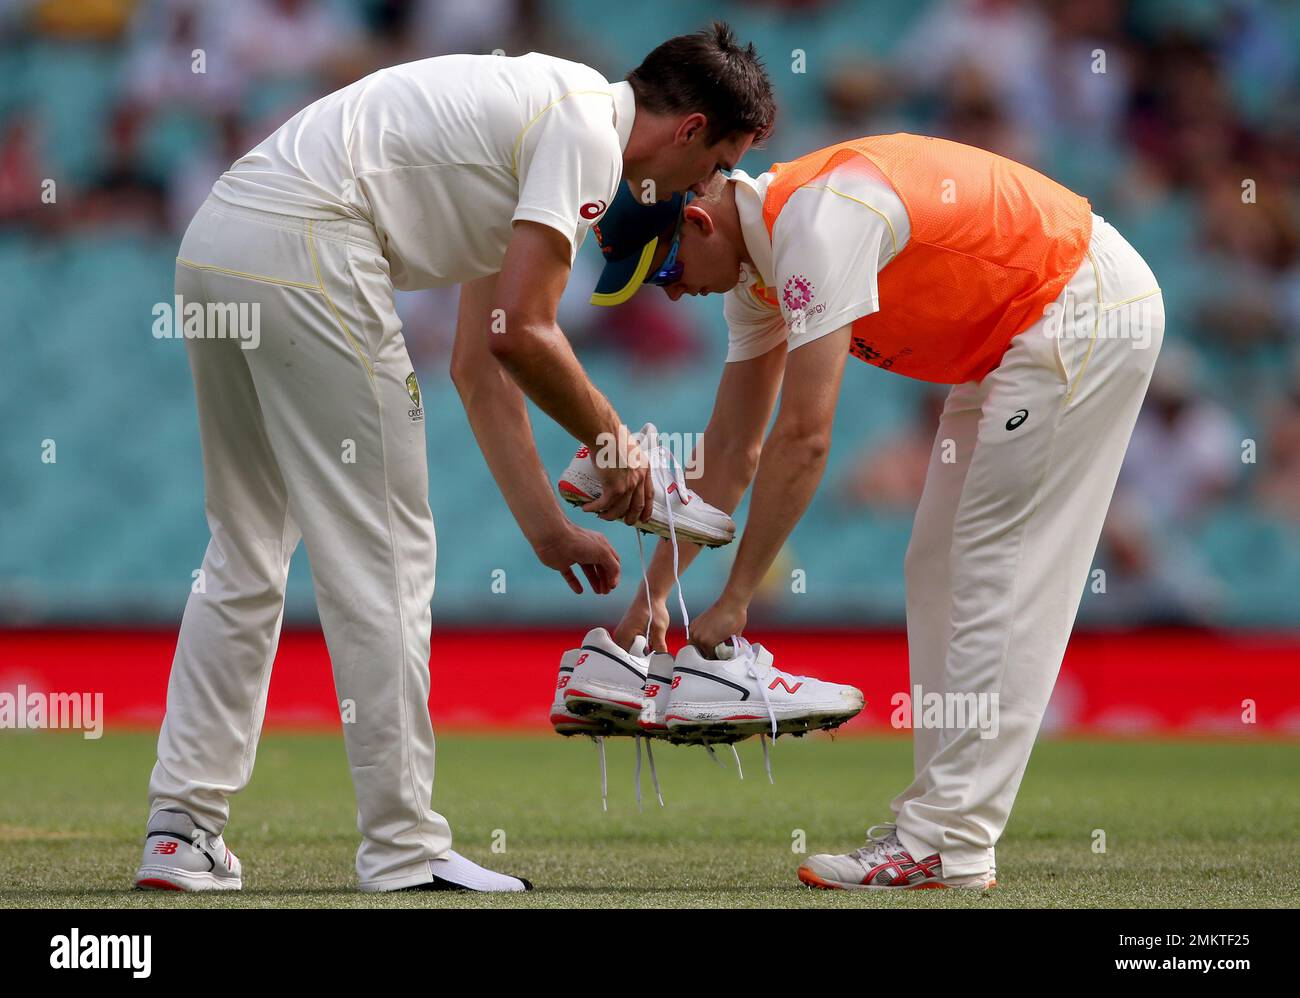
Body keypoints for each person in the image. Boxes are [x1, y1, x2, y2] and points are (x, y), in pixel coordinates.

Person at [134, 24, 775, 894]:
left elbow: (480, 360)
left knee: (245, 551)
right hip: (309, 248)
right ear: (691, 129)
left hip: (218, 243)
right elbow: (525, 332)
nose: (702, 190)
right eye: (715, 165)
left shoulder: (542, 114)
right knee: (389, 558)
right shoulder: (586, 134)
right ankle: (403, 849)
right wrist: (615, 441)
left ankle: (182, 830)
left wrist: (548, 532)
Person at [579, 132, 1164, 889]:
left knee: (991, 568)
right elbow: (729, 456)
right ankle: (938, 833)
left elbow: (805, 436)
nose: (669, 293)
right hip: (1013, 336)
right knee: (939, 568)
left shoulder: (819, 224)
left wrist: (735, 601)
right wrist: (650, 604)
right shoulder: (755, 277)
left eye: (663, 272)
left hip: (1078, 306)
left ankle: (948, 843)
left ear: (699, 222)